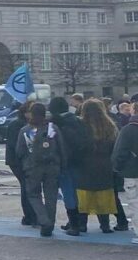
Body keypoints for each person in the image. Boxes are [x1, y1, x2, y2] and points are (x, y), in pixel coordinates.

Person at [11, 102, 62, 237]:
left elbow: (19, 151)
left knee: (34, 195)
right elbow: (61, 147)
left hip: (32, 167)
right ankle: (50, 222)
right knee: (51, 195)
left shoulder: (25, 131)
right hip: (52, 166)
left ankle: (43, 220)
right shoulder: (53, 128)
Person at [74, 100, 121, 233]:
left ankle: (82, 224)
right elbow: (115, 147)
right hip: (105, 164)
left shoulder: (81, 125)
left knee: (84, 195)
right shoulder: (110, 126)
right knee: (104, 194)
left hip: (85, 164)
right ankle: (105, 225)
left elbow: (77, 146)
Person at [49, 96, 90, 233]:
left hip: (65, 163)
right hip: (81, 162)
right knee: (78, 192)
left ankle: (74, 224)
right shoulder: (77, 120)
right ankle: (78, 222)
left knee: (69, 194)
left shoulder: (57, 123)